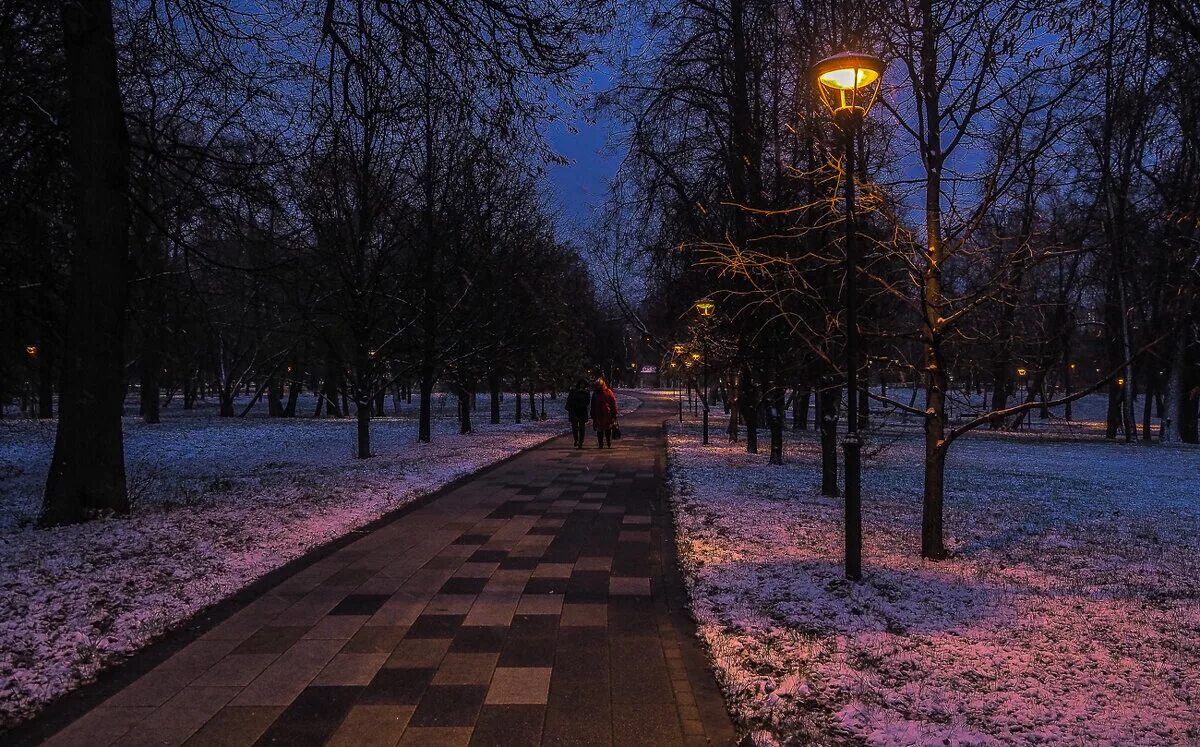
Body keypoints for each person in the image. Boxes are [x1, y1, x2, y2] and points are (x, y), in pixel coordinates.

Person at [590, 378, 618, 448]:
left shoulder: (608, 392)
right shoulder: (595, 393)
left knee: (607, 429)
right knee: (599, 430)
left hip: (607, 414)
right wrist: (592, 413)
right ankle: (601, 444)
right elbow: (593, 404)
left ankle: (608, 442)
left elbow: (613, 403)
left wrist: (614, 412)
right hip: (598, 414)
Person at [565, 379, 590, 448]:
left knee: (582, 428)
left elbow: (587, 402)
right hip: (574, 411)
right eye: (581, 384)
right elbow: (569, 400)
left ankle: (580, 442)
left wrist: (581, 405)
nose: (582, 385)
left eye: (583, 384)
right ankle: (576, 440)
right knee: (575, 428)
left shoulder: (586, 392)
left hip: (582, 412)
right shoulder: (573, 391)